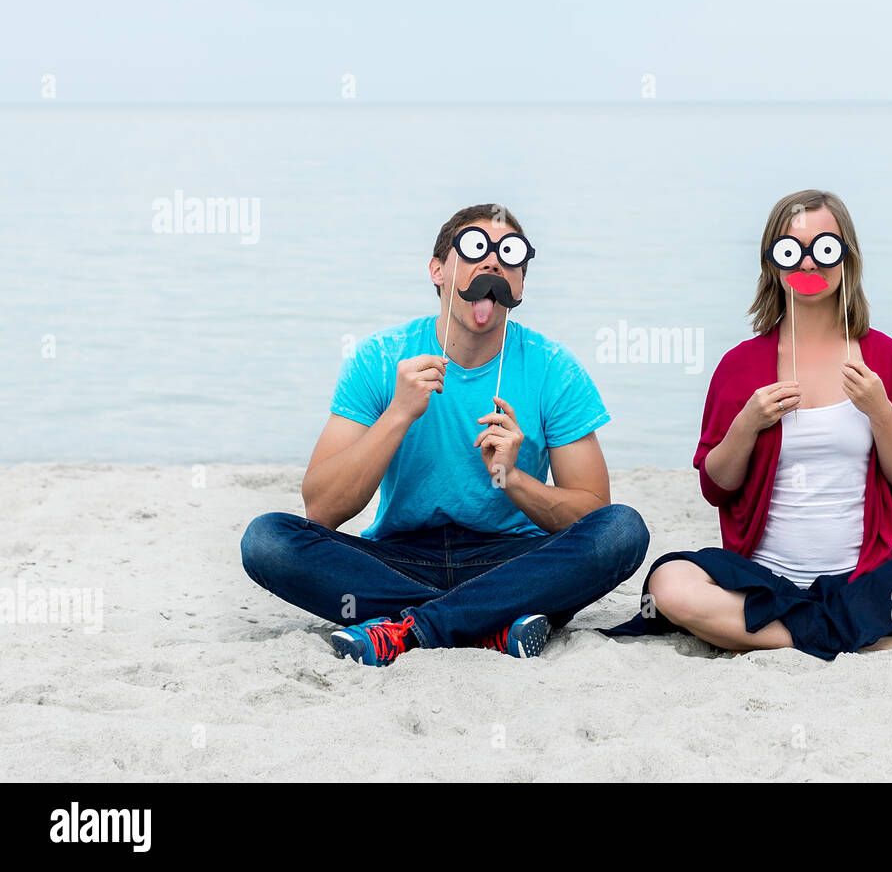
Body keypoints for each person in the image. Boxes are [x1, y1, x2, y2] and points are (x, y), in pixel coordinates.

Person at [602, 189, 892, 658]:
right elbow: (716, 488)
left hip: (863, 580)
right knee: (670, 584)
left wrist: (881, 411)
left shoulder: (885, 358)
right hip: (762, 583)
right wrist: (747, 424)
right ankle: (860, 634)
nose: (809, 265)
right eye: (791, 251)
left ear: (847, 259)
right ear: (772, 264)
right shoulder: (740, 365)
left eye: (825, 249)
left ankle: (798, 633)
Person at [241, 203, 649, 665]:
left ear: (520, 284)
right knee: (266, 539)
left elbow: (593, 513)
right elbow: (322, 509)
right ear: (438, 270)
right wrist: (397, 415)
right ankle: (487, 623)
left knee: (624, 529)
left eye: (508, 255)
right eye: (476, 249)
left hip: (513, 560)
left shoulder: (554, 367)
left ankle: (411, 628)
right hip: (399, 558)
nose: (493, 262)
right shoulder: (380, 358)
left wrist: (514, 478)